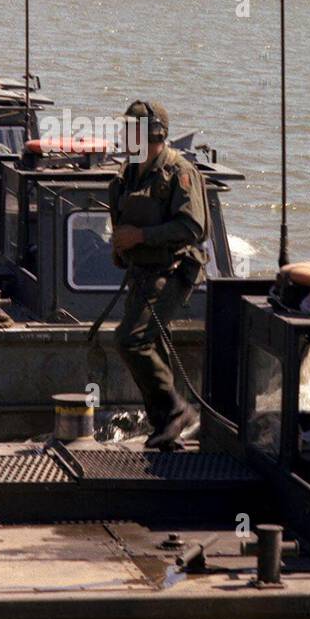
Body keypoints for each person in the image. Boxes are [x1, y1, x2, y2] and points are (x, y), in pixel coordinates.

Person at [109, 100, 209, 450]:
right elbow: (120, 219)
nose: (130, 141)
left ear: (158, 136)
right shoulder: (125, 176)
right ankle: (167, 423)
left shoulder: (178, 173)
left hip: (174, 268)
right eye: (128, 133)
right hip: (141, 271)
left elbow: (193, 226)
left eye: (138, 135)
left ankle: (176, 411)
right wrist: (121, 245)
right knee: (147, 341)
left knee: (131, 339)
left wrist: (141, 237)